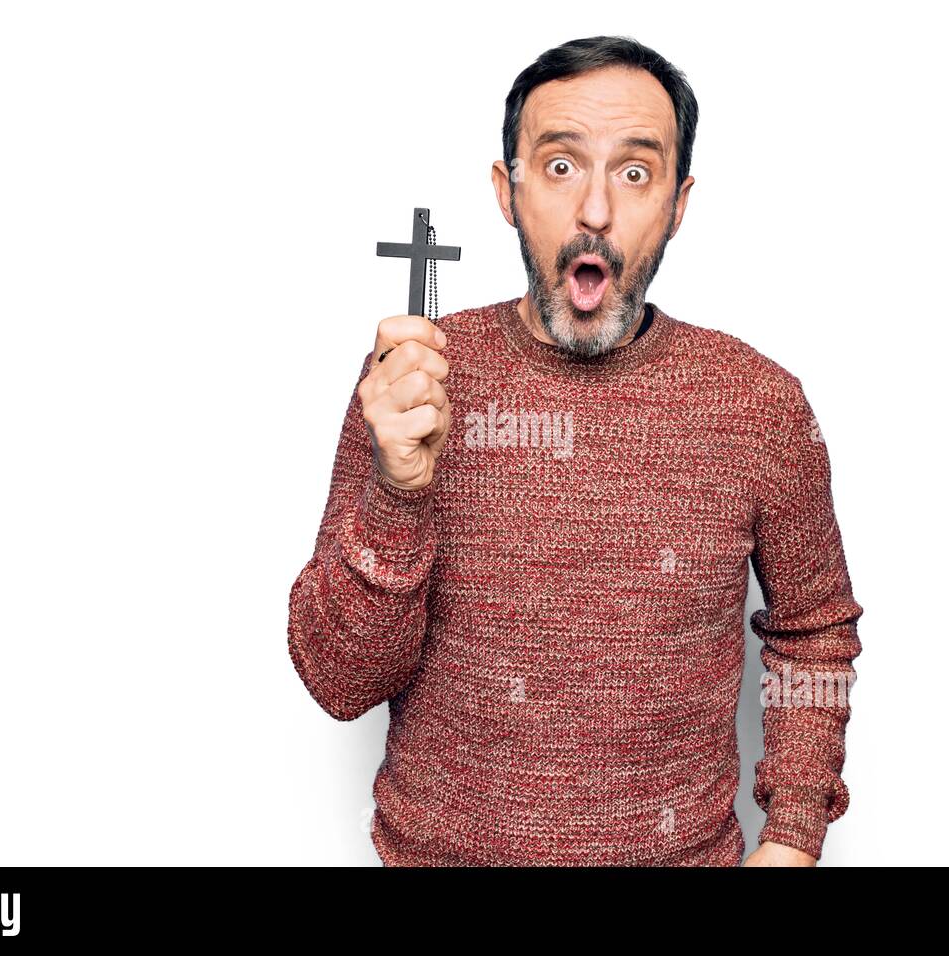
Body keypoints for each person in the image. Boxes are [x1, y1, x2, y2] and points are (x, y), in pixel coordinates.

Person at [287, 35, 864, 866]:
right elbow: (339, 682)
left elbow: (814, 629)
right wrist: (397, 493)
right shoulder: (412, 382)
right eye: (560, 167)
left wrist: (793, 836)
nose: (596, 210)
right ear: (507, 190)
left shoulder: (758, 404)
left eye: (635, 173)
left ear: (678, 200)